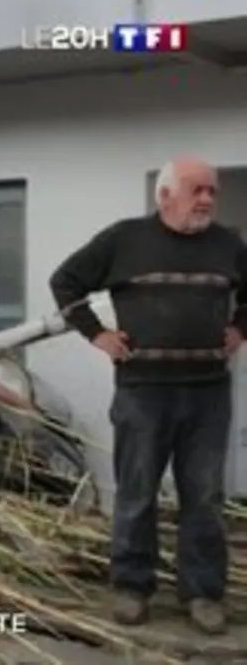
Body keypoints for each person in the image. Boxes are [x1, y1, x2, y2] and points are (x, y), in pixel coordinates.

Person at [49, 155, 241, 635]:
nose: (207, 200)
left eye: (211, 191)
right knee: (136, 495)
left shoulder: (229, 245)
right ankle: (132, 587)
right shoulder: (125, 240)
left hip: (207, 396)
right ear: (165, 195)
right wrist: (98, 335)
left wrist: (240, 329)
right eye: (197, 190)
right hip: (143, 394)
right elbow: (65, 281)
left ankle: (202, 593)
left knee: (205, 498)